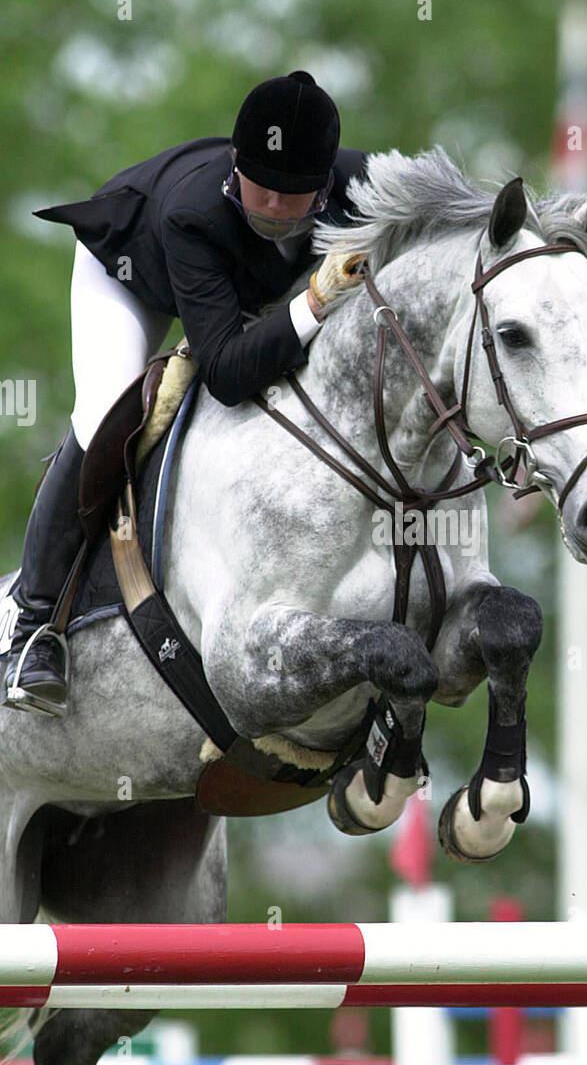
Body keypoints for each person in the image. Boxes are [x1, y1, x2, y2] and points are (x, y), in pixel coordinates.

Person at [3, 71, 367, 716]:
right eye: (264, 189)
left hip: (244, 299)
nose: (277, 211)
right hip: (132, 273)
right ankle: (35, 626)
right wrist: (314, 301)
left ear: (329, 181)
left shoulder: (362, 183)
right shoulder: (193, 212)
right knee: (103, 414)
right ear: (237, 164)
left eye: (296, 194)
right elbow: (225, 372)